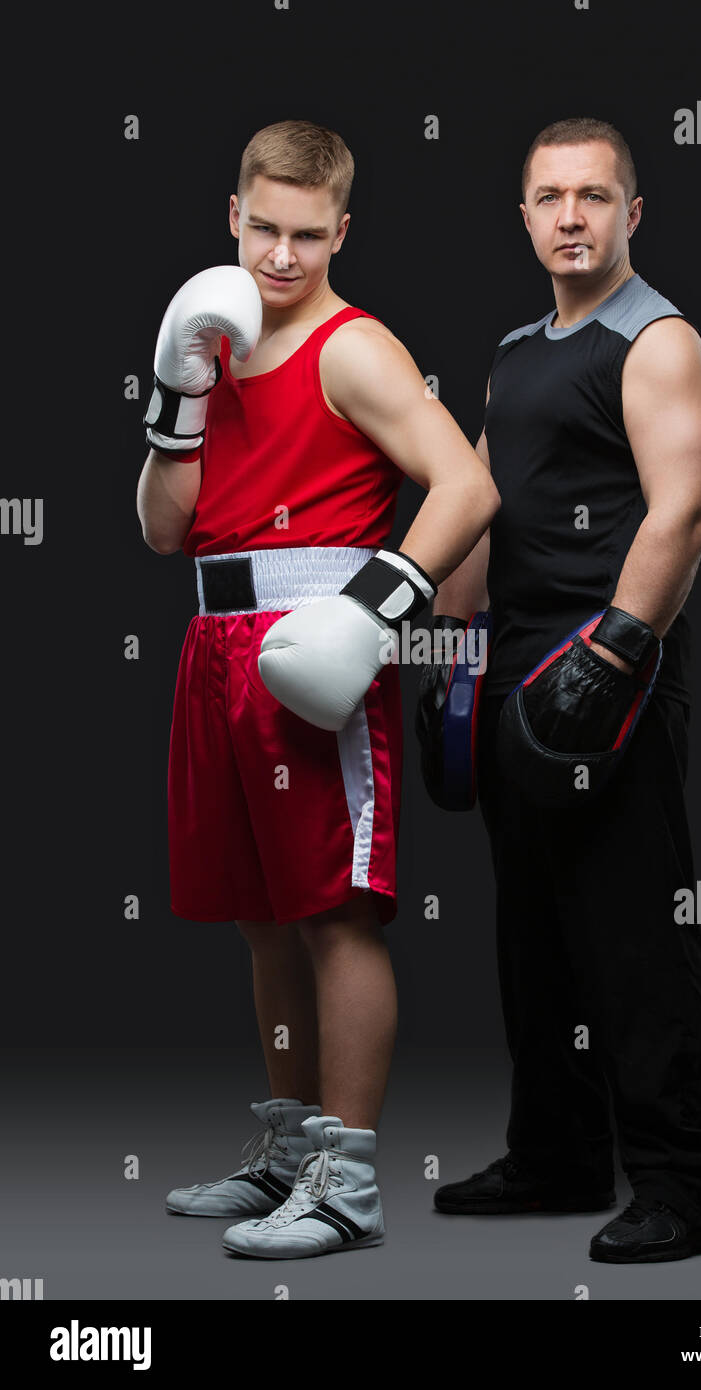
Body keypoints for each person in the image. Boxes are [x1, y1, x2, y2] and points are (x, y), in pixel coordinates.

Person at [135, 118, 499, 1260]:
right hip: (215, 653)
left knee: (335, 913)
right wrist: (177, 397)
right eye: (263, 229)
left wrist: (370, 611)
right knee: (260, 918)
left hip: (314, 650)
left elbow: (465, 486)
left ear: (339, 230)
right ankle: (290, 1156)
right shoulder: (210, 339)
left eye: (307, 235)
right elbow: (163, 530)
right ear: (231, 216)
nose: (281, 257)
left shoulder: (354, 347)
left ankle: (347, 1184)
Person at [427, 117, 701, 1263]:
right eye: (549, 197)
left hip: (610, 680)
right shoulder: (513, 352)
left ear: (630, 214)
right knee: (534, 937)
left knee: (631, 940)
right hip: (509, 678)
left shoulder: (655, 340)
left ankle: (684, 1186)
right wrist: (452, 651)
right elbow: (480, 506)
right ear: (522, 215)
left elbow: (684, 508)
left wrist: (609, 658)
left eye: (593, 197)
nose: (570, 216)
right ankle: (557, 1155)